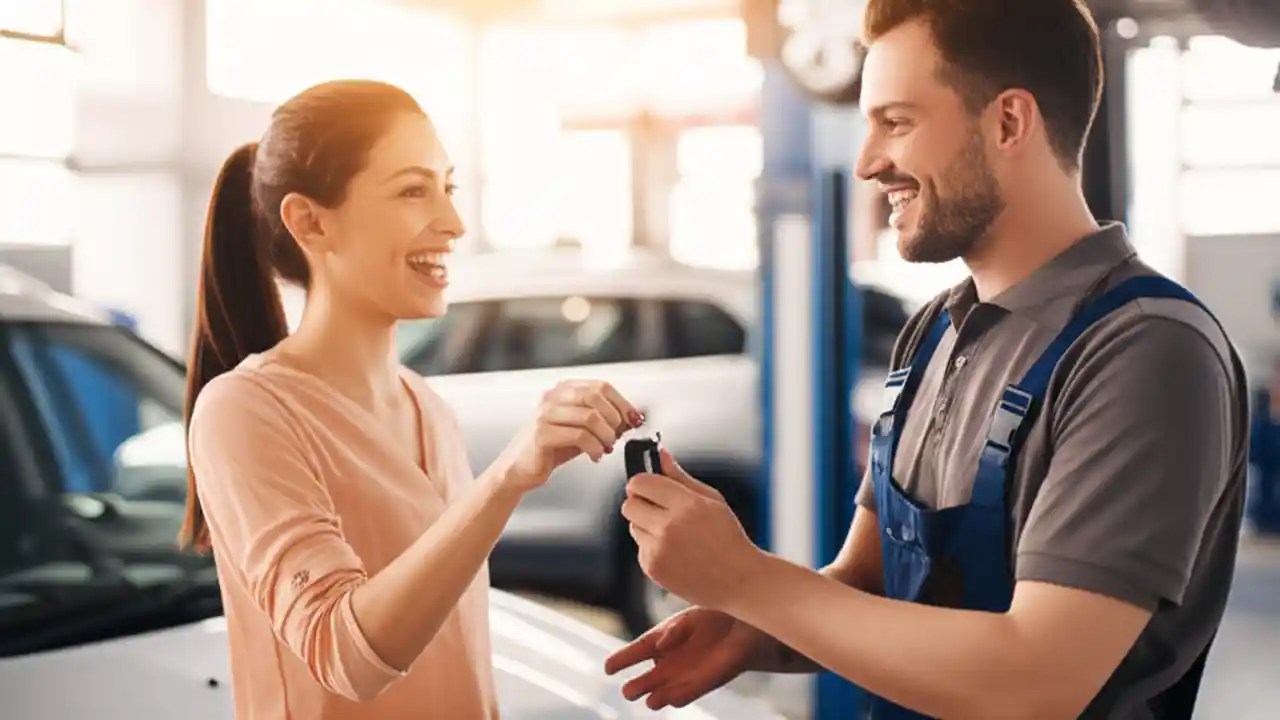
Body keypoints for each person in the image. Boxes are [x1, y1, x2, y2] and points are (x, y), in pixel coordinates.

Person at [605, 1, 1251, 718]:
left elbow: (1037, 682)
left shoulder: (1146, 351)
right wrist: (748, 630)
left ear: (1009, 122)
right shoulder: (934, 333)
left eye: (897, 122)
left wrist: (747, 579)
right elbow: (872, 585)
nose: (867, 162)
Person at [180, 79, 643, 719]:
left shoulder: (428, 407)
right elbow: (344, 654)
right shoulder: (244, 411)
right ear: (310, 221)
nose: (453, 223)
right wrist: (509, 477)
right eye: (412, 191)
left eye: (447, 188)